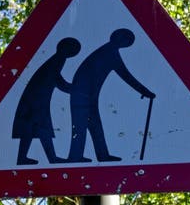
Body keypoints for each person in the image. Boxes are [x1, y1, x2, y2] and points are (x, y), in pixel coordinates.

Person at [67, 28, 155, 162]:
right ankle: (75, 157)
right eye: (127, 41)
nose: (127, 44)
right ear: (119, 39)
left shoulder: (107, 51)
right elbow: (126, 75)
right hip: (82, 96)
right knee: (80, 127)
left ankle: (102, 156)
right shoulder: (109, 53)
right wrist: (145, 91)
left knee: (95, 126)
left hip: (88, 97)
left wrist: (145, 92)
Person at [12, 37, 81, 165]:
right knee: (38, 129)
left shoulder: (58, 59)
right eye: (72, 50)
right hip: (35, 102)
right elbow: (57, 79)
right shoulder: (58, 59)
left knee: (36, 129)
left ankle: (47, 158)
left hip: (36, 100)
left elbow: (56, 79)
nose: (72, 53)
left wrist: (71, 88)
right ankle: (44, 158)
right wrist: (75, 89)